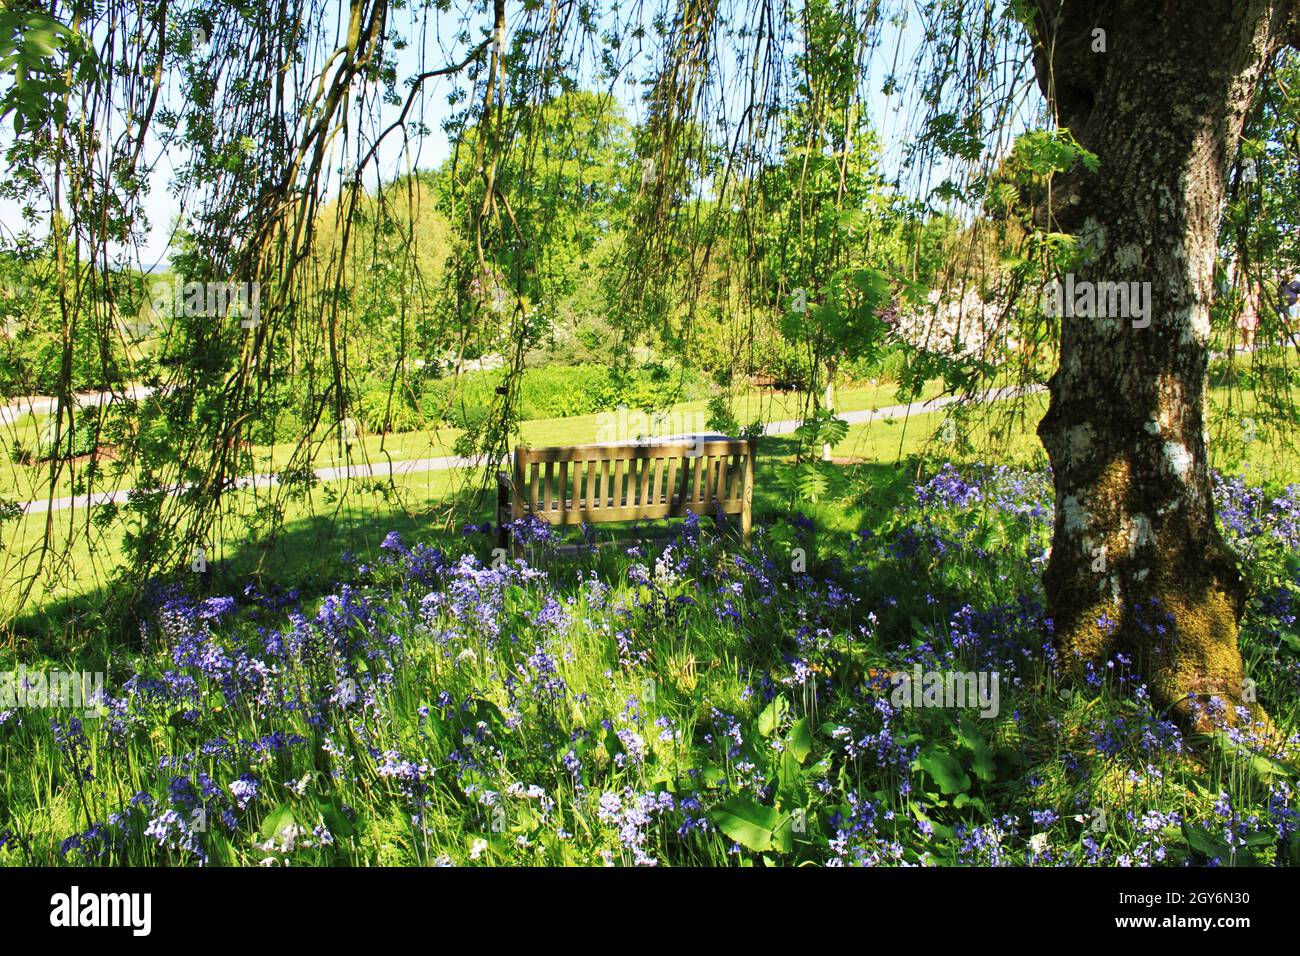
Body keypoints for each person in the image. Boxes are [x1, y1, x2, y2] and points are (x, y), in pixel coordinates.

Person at [1237, 282, 1260, 351]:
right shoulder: (1251, 295)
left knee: (1247, 329)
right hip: (1249, 313)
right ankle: (1248, 344)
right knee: (1250, 330)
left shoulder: (1247, 294)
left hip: (1247, 313)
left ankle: (1246, 344)